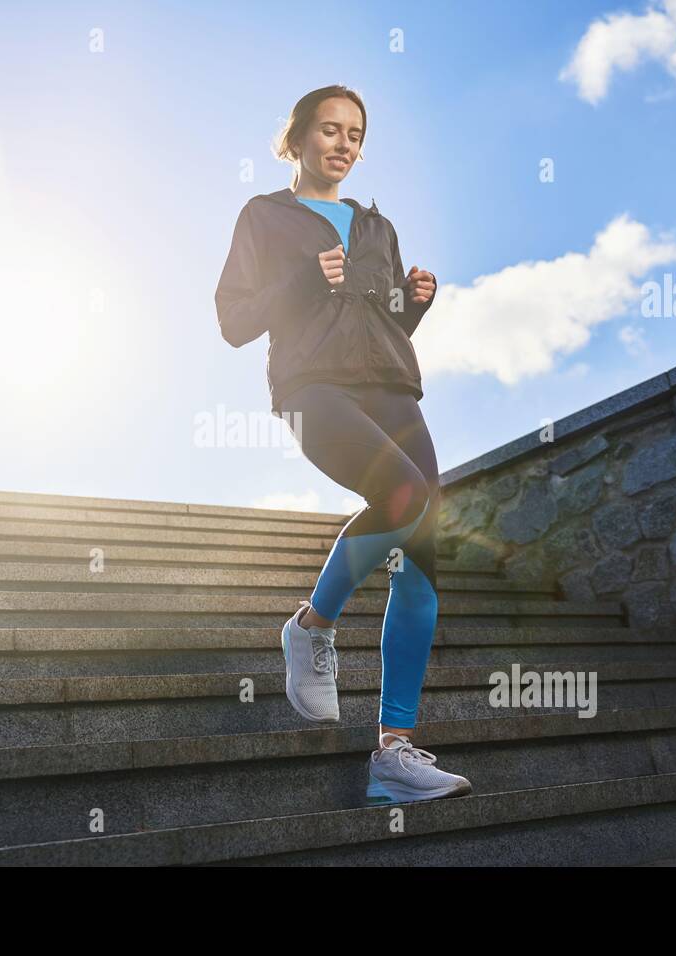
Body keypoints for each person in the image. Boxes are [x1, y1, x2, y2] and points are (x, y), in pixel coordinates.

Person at [214, 84, 472, 804]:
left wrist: (411, 305)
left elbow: (377, 327)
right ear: (296, 138)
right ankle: (311, 625)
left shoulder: (376, 228)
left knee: (422, 557)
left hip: (392, 389)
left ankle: (393, 755)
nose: (344, 144)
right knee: (401, 497)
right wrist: (300, 280)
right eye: (329, 130)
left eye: (355, 135)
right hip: (310, 389)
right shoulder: (264, 216)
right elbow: (233, 321)